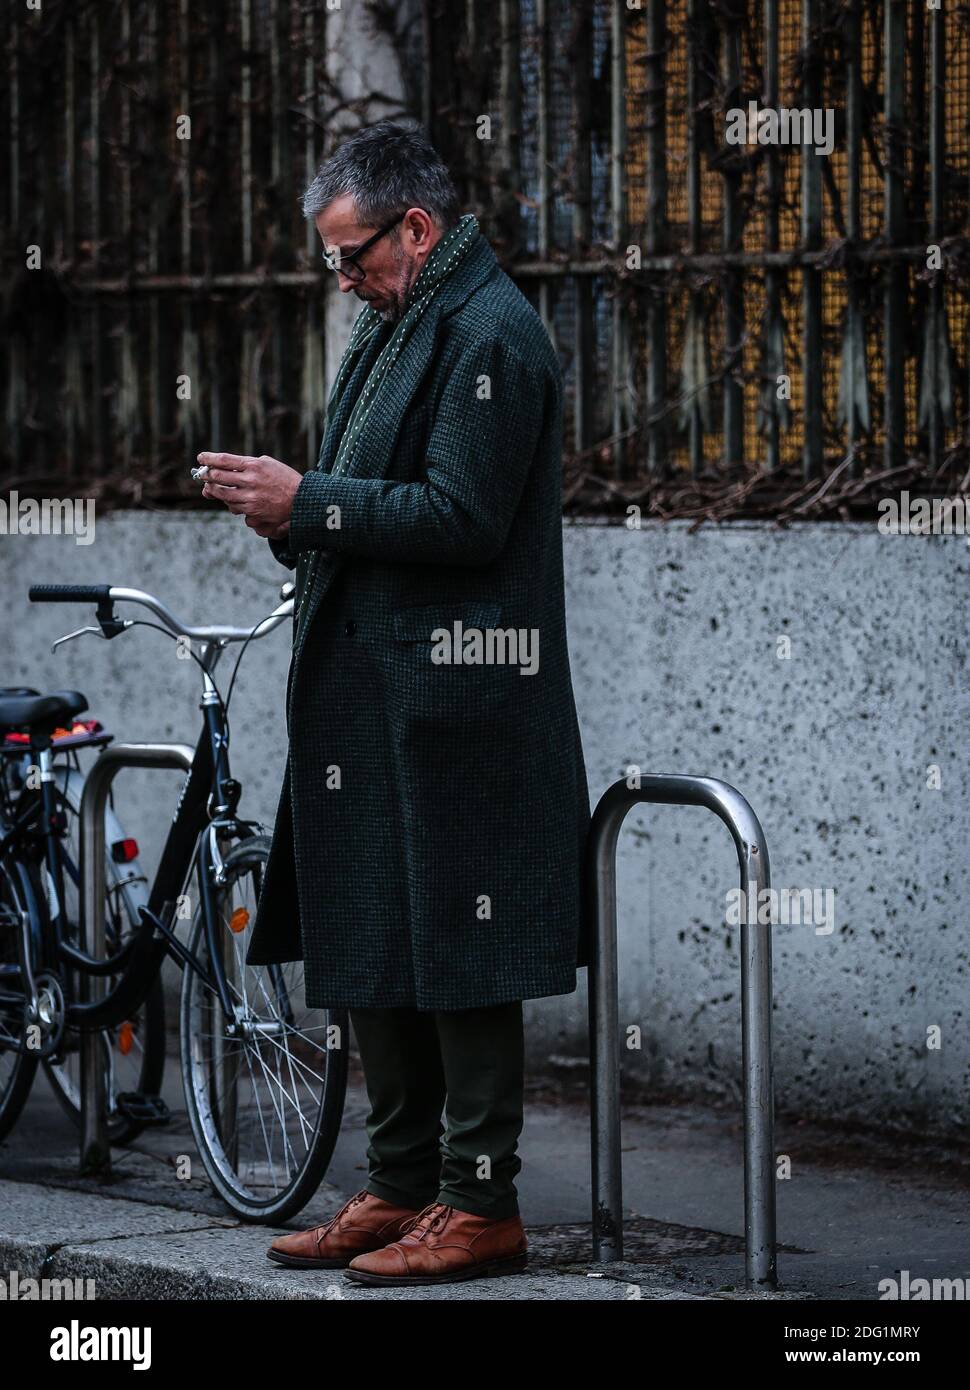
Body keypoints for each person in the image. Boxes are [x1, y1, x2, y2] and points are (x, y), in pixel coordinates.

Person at [197, 119, 590, 1287]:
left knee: (459, 947)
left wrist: (307, 500)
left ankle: (480, 1205)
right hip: (374, 695)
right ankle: (403, 1181)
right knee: (373, 931)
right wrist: (290, 513)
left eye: (354, 253)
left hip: (457, 699)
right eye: (334, 258)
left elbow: (462, 516)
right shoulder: (395, 320)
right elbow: (366, 505)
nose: (344, 278)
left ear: (416, 228)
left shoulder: (490, 333)